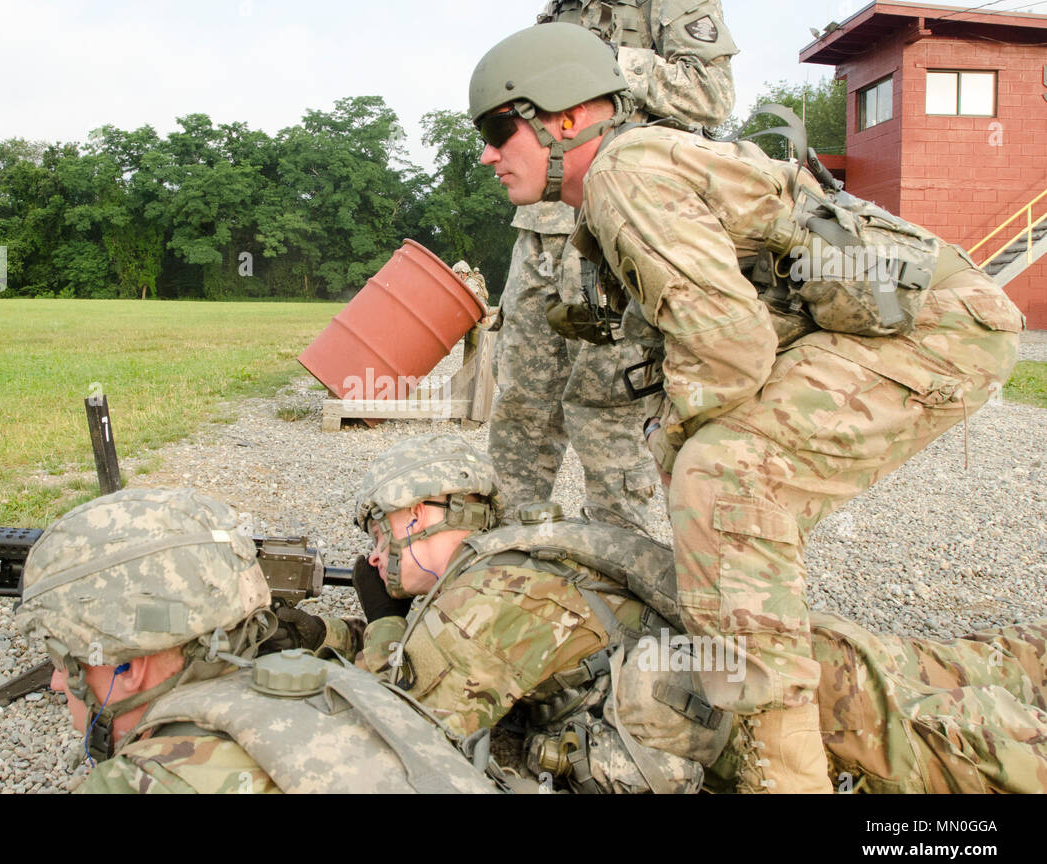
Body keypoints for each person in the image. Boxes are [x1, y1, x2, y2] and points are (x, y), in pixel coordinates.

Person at [468, 22, 1025, 791]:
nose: (489, 155)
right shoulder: (616, 186)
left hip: (939, 328)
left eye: (500, 130)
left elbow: (728, 348)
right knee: (718, 500)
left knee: (724, 480)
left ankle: (781, 772)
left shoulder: (624, 175)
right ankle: (810, 697)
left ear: (567, 120)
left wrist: (675, 444)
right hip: (892, 325)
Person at [299, 435, 1047, 794]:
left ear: (443, 512)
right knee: (1005, 660)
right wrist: (327, 631)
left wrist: (381, 622)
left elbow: (402, 725)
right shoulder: (520, 552)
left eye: (384, 529)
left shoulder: (490, 599)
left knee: (1003, 754)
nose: (374, 555)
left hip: (821, 721)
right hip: (810, 663)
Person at [14, 487, 499, 794]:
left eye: (68, 661)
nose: (59, 682)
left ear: (131, 664)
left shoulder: (143, 780)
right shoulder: (349, 692)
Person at [489, 0, 738, 532]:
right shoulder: (560, 9)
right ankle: (506, 559)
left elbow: (710, 95)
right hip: (539, 229)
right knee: (520, 404)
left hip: (620, 223)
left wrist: (595, 63)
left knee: (609, 409)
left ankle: (618, 565)